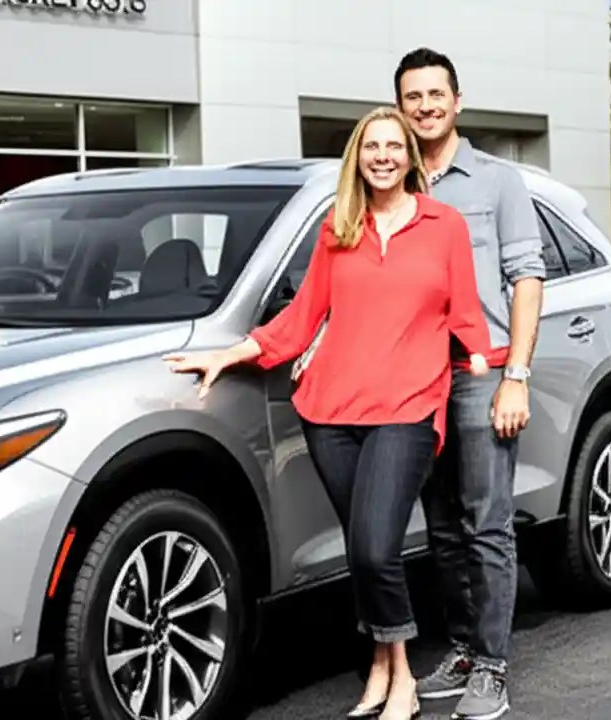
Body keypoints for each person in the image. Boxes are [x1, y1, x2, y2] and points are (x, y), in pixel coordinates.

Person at [163, 106, 492, 720]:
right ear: (357, 158)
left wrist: (494, 363)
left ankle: (403, 679)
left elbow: (465, 310)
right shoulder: (338, 229)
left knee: (374, 550)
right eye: (372, 147)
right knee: (366, 548)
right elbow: (302, 316)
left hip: (407, 407)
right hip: (330, 413)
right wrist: (231, 353)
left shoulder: (443, 225)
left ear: (409, 157)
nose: (383, 156)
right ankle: (384, 667)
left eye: (394, 146)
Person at [393, 48, 547, 720]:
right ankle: (462, 648)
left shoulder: (496, 181)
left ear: (457, 102)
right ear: (399, 107)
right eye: (413, 97)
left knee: (487, 524)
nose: (425, 106)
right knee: (443, 526)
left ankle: (492, 667)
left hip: (482, 374)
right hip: (416, 381)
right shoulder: (391, 181)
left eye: (436, 94)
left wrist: (517, 377)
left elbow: (527, 279)